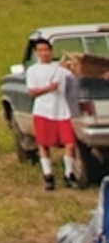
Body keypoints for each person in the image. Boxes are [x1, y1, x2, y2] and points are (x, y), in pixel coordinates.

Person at [25, 36, 84, 189]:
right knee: (43, 143)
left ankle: (69, 174)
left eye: (47, 50)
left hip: (62, 110)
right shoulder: (33, 70)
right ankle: (48, 175)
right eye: (41, 50)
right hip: (43, 110)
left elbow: (76, 78)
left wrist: (73, 68)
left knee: (69, 143)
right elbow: (31, 92)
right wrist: (48, 88)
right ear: (37, 53)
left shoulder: (59, 68)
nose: (45, 53)